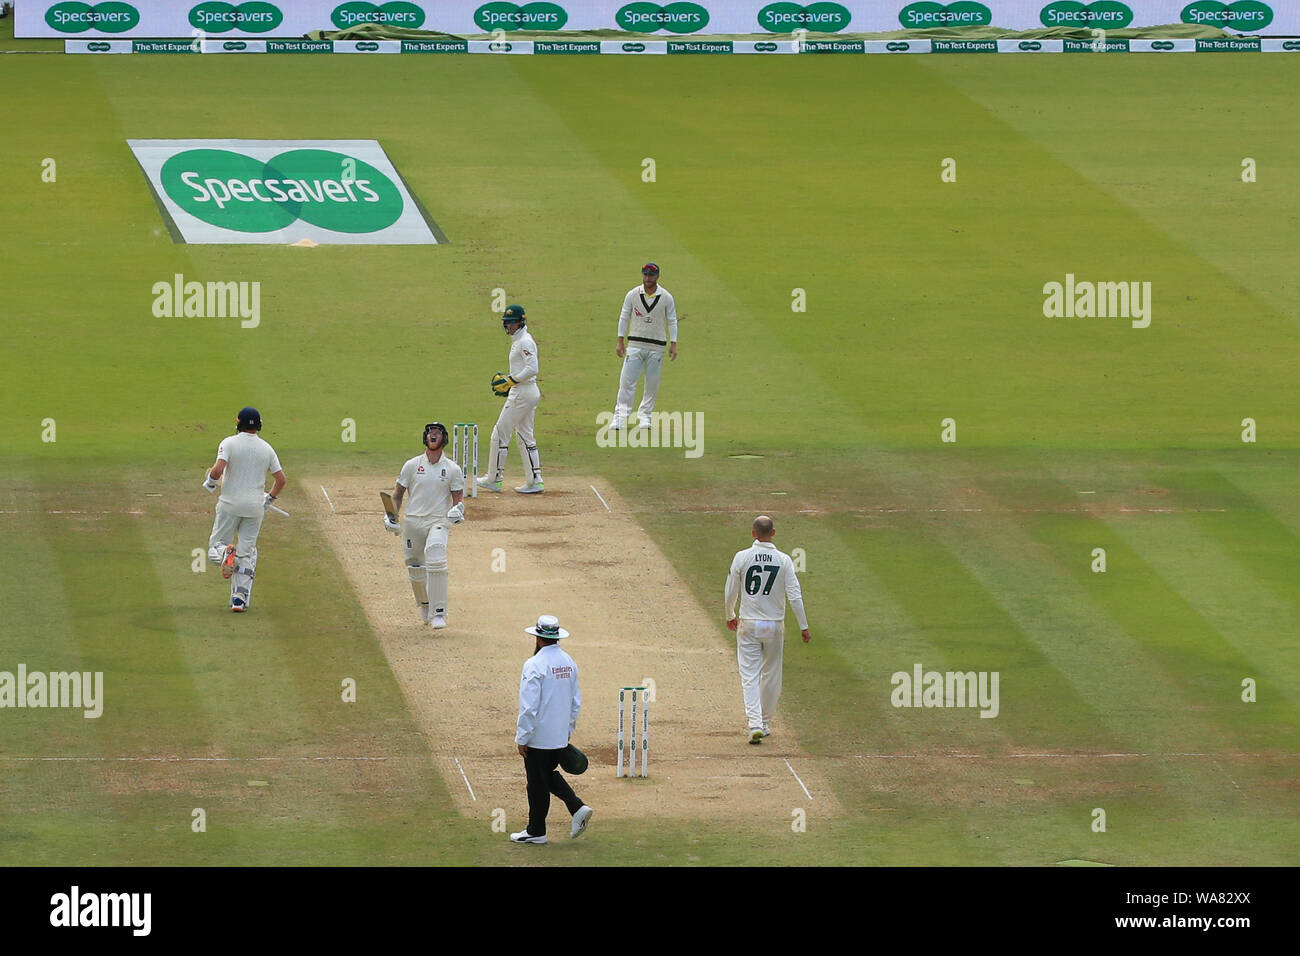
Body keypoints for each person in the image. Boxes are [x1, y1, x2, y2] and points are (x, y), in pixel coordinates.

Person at [724, 515, 811, 744]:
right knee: (771, 673)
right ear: (773, 533)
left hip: (749, 624)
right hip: (773, 625)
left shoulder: (742, 557)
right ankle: (764, 722)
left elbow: (731, 589)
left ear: (753, 534)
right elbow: (795, 595)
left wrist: (729, 615)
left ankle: (754, 724)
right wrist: (804, 626)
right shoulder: (784, 560)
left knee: (749, 675)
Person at [511, 614, 593, 844]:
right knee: (542, 779)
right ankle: (541, 827)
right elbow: (575, 702)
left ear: (538, 638)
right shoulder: (568, 661)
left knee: (537, 782)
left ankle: (560, 817)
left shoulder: (534, 664)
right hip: (558, 736)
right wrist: (566, 732)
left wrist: (522, 737)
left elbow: (529, 707)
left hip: (538, 737)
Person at [202, 406, 286, 612]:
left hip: (230, 505)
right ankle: (239, 599)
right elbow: (281, 480)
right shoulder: (267, 448)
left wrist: (210, 483)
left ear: (238, 423)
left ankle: (224, 553)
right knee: (246, 553)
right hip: (255, 508)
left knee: (215, 546)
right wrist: (269, 500)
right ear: (258, 426)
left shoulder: (229, 443)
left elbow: (218, 469)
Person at [385, 423, 465, 629]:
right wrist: (391, 516)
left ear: (444, 439)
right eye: (430, 433)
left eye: (437, 433)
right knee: (415, 566)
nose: (433, 435)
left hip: (438, 520)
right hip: (413, 520)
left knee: (436, 555)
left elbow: (458, 499)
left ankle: (439, 613)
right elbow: (397, 494)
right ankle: (424, 603)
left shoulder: (453, 469)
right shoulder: (411, 465)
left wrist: (458, 510)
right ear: (425, 438)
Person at [480, 304, 545, 494]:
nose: (507, 326)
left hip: (523, 392)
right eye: (506, 322)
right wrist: (512, 381)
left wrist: (510, 380)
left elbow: (533, 368)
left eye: (511, 322)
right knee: (525, 436)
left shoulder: (525, 341)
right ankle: (535, 481)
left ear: (520, 322)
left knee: (500, 433)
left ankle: (494, 479)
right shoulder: (520, 340)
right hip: (526, 391)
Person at [612, 262, 677, 430]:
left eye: (651, 275)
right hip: (634, 344)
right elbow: (624, 317)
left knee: (652, 384)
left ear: (657, 276)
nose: (648, 278)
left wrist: (673, 343)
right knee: (627, 382)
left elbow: (672, 320)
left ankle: (645, 417)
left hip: (656, 346)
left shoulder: (666, 297)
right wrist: (620, 341)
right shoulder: (633, 294)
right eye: (645, 275)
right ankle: (620, 418)